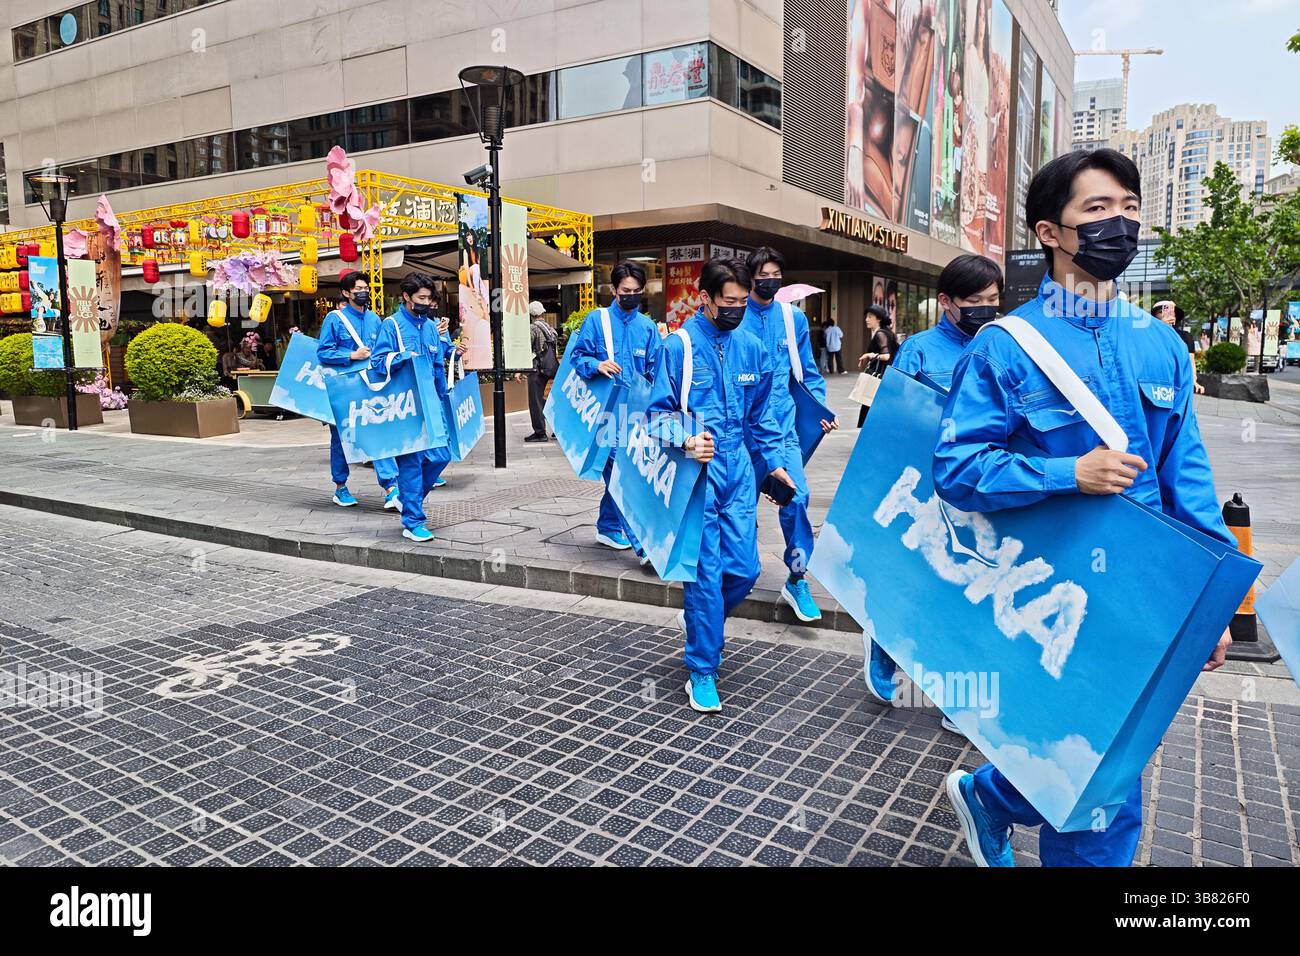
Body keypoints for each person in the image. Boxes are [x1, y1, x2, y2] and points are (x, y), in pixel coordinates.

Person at [935, 148, 1233, 867]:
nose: (1119, 225)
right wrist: (1068, 471)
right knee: (1099, 782)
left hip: (1144, 593)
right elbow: (957, 469)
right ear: (1050, 232)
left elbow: (1185, 473)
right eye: (1097, 210)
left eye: (1130, 209)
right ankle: (998, 799)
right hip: (1053, 594)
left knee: (1109, 752)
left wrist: (1217, 599)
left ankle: (992, 797)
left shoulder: (1162, 346)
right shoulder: (1006, 349)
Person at [646, 258, 795, 713]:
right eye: (727, 301)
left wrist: (776, 464)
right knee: (707, 576)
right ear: (705, 298)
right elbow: (655, 414)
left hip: (740, 475)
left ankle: (700, 621)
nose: (736, 309)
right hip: (697, 476)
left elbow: (762, 417)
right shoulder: (681, 347)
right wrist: (686, 437)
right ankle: (702, 670)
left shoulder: (752, 347)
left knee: (746, 570)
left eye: (742, 301)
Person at [864, 253, 1003, 732]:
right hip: (924, 485)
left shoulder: (1003, 349)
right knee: (915, 577)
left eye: (993, 299)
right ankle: (882, 644)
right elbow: (893, 420)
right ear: (946, 302)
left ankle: (953, 696)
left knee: (962, 589)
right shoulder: (919, 350)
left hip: (979, 490)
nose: (987, 309)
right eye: (975, 301)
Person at [742, 246, 838, 623]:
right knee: (740, 506)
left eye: (775, 274)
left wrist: (820, 410)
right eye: (763, 274)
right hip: (744, 433)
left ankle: (798, 577)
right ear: (750, 277)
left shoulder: (792, 319)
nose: (770, 280)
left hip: (783, 430)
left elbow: (809, 373)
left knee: (797, 498)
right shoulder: (735, 316)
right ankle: (741, 569)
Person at [568, 260, 661, 559]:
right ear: (613, 290)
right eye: (625, 291)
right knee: (621, 472)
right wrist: (597, 365)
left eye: (636, 291)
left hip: (636, 415)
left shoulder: (647, 328)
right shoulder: (597, 321)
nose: (630, 296)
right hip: (604, 414)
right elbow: (576, 358)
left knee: (626, 470)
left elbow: (656, 372)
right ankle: (642, 543)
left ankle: (608, 526)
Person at [368, 272, 465, 542]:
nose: (426, 302)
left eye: (429, 298)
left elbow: (437, 363)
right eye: (420, 298)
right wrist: (401, 357)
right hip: (405, 405)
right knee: (411, 463)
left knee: (441, 456)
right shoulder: (392, 325)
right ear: (406, 297)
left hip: (432, 403)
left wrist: (444, 390)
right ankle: (413, 520)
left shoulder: (431, 327)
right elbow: (377, 362)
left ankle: (408, 498)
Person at [317, 271, 400, 511]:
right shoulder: (334, 319)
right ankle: (340, 487)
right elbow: (323, 352)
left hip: (372, 386)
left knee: (379, 431)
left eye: (366, 287)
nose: (364, 292)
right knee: (341, 438)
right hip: (344, 388)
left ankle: (390, 488)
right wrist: (351, 355)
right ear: (346, 293)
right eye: (358, 289)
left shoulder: (375, 319)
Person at [856, 304, 897, 428]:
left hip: (879, 377)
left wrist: (869, 355)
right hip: (887, 376)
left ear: (878, 319)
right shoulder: (887, 332)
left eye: (870, 317)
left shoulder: (880, 334)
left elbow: (886, 356)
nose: (866, 319)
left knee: (872, 407)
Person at [1154, 300, 1204, 395]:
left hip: (1177, 385)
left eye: (1172, 312)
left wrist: (1193, 381)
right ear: (1154, 317)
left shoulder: (1185, 337)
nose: (1168, 315)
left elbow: (1190, 361)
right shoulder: (1149, 336)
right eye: (1162, 312)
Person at [525, 301, 558, 443]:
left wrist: (519, 371)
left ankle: (540, 433)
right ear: (542, 313)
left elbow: (527, 350)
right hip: (552, 367)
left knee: (536, 400)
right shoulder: (551, 329)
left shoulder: (532, 329)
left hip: (538, 369)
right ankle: (559, 429)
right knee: (551, 399)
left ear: (531, 315)